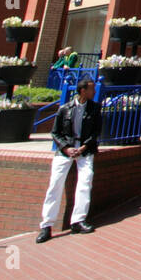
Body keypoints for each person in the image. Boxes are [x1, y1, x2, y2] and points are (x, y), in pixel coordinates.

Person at [37, 76, 101, 242]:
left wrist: (84, 147)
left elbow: (95, 132)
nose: (94, 91)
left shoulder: (95, 108)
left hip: (85, 150)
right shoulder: (65, 109)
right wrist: (66, 148)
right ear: (83, 91)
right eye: (91, 89)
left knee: (85, 182)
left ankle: (78, 221)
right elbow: (55, 132)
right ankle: (46, 225)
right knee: (55, 184)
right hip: (66, 150)